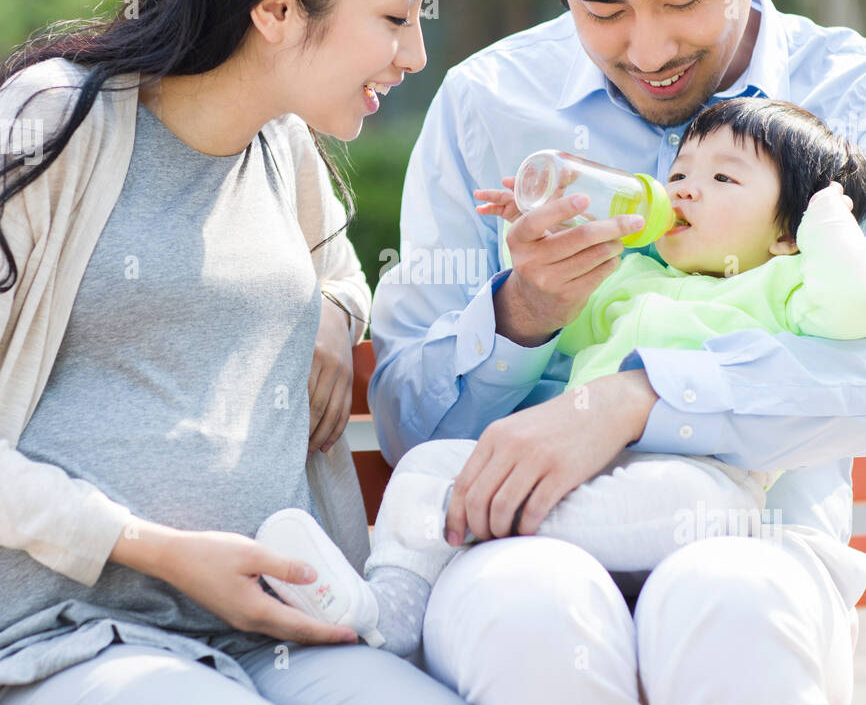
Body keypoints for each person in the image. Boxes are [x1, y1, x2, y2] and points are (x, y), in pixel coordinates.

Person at [367, 0, 866, 705]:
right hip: (514, 552)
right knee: (541, 620)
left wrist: (636, 394)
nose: (646, 48)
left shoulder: (844, 103)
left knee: (728, 607)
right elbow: (405, 421)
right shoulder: (490, 107)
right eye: (600, 7)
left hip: (766, 547)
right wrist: (520, 317)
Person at [0, 0, 509, 705]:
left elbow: (330, 272)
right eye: (391, 16)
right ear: (277, 7)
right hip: (44, 647)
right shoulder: (52, 128)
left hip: (255, 631)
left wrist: (332, 312)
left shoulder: (283, 151)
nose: (413, 55)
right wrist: (152, 548)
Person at [258, 95, 866, 654]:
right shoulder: (631, 278)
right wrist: (535, 240)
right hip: (581, 476)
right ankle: (384, 621)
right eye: (679, 174)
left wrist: (829, 224)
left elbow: (850, 305)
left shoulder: (783, 284)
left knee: (671, 498)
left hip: (706, 490)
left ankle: (473, 519)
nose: (684, 191)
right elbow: (562, 329)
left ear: (786, 232)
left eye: (723, 178)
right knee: (428, 466)